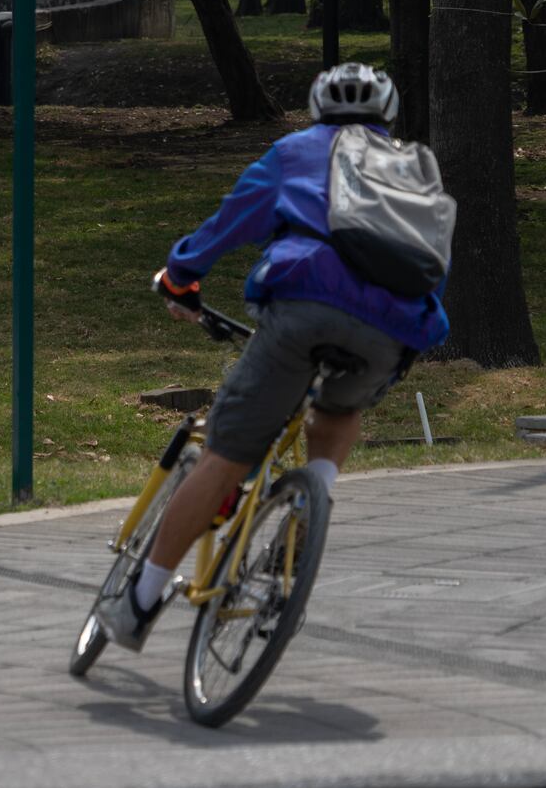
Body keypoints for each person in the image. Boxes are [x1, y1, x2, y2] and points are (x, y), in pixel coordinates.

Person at [97, 62, 451, 651]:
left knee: (227, 456)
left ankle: (137, 604)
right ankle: (313, 495)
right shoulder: (418, 170)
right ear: (388, 116)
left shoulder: (295, 152)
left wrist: (181, 276)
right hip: (395, 329)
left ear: (317, 110)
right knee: (338, 408)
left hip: (305, 304)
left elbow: (231, 222)